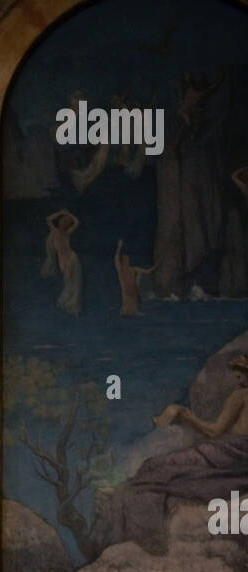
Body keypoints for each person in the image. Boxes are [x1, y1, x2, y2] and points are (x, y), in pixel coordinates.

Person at [104, 354, 248, 554]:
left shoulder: (241, 395)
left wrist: (184, 414)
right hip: (240, 459)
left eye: (241, 373)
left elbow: (215, 431)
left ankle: (145, 535)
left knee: (154, 466)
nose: (238, 379)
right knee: (158, 468)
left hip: (225, 452)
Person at [42, 210, 82, 315]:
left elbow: (77, 222)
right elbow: (48, 219)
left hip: (72, 257)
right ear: (59, 221)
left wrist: (69, 214)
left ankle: (73, 306)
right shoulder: (54, 231)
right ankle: (68, 304)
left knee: (75, 282)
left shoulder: (68, 232)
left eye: (66, 222)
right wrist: (61, 212)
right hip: (64, 260)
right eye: (62, 220)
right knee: (68, 282)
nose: (64, 223)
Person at [115, 239, 156, 316]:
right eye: (124, 260)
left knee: (134, 311)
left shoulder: (133, 269)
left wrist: (156, 266)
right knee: (127, 311)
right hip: (127, 294)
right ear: (122, 262)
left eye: (127, 260)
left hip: (134, 293)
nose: (127, 261)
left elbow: (147, 271)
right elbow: (116, 258)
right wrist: (119, 247)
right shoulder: (120, 270)